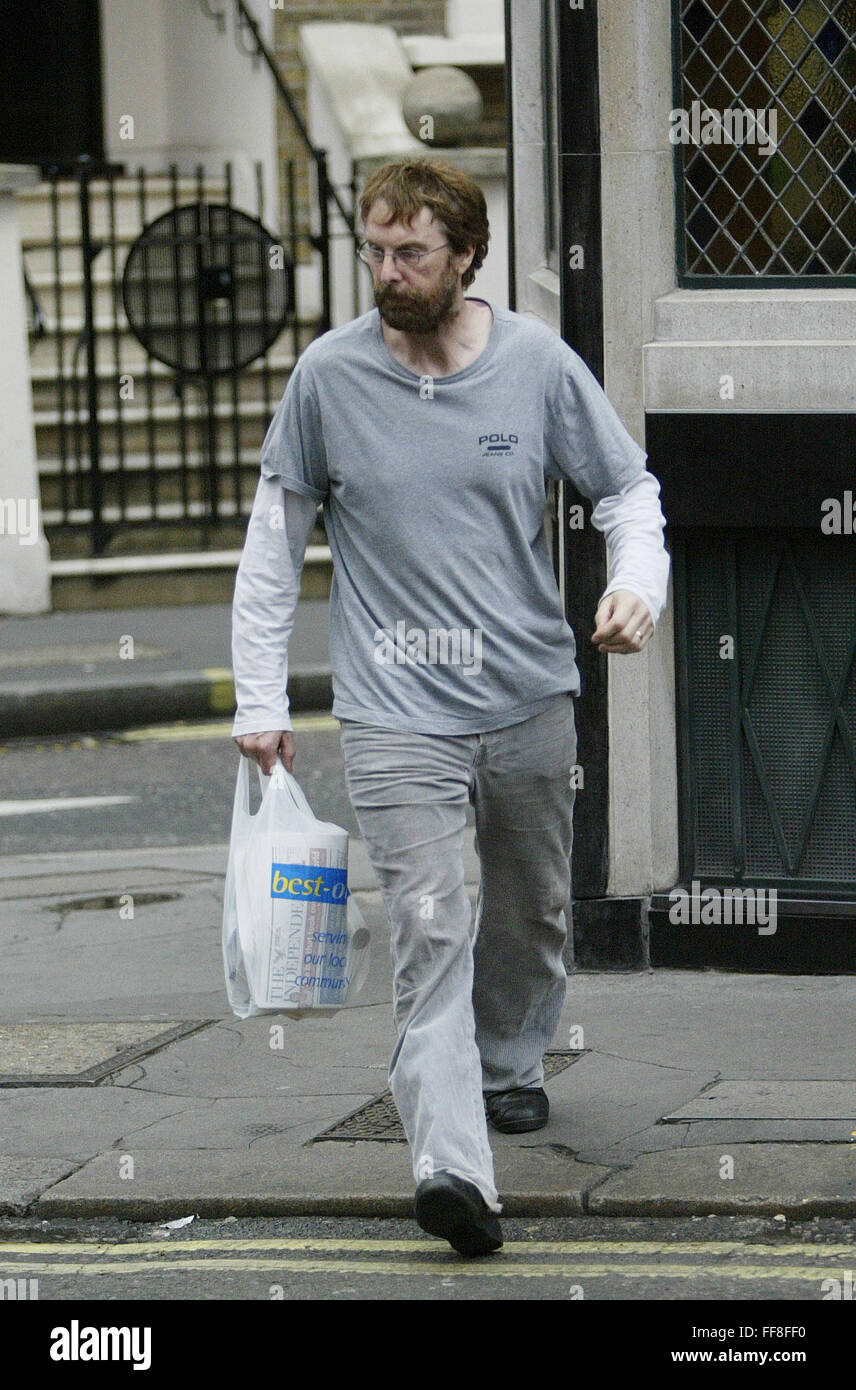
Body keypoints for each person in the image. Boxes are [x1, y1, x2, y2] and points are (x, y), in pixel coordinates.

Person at [231, 157, 670, 1258]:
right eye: (375, 250)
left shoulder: (533, 364)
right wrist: (259, 697)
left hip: (525, 693)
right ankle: (450, 1168)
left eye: (410, 252)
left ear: (465, 254)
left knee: (529, 908)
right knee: (431, 924)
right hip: (394, 712)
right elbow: (272, 547)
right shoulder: (327, 379)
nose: (388, 271)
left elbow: (625, 490)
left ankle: (513, 1059)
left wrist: (635, 587)